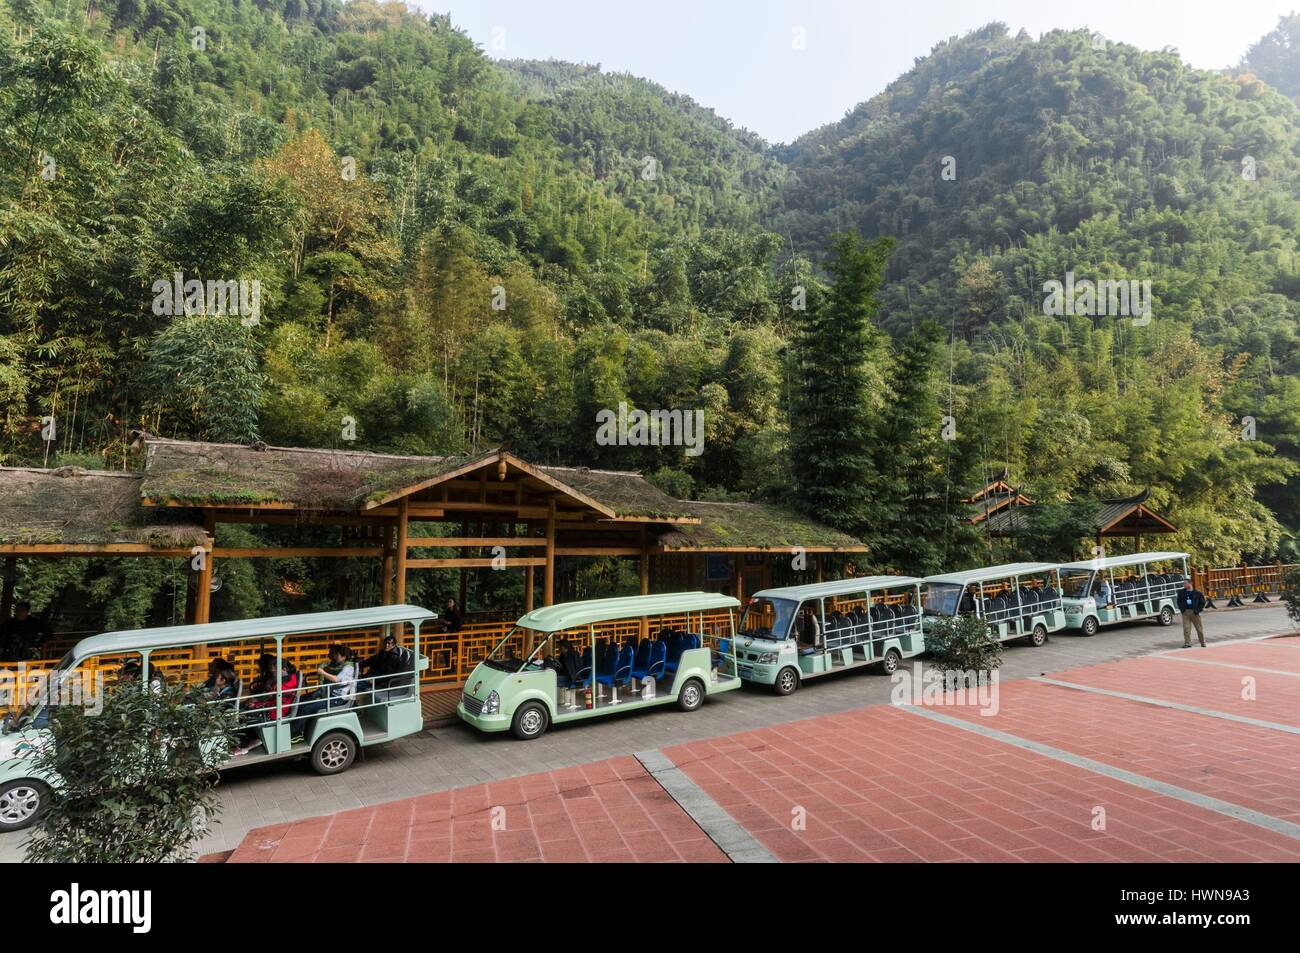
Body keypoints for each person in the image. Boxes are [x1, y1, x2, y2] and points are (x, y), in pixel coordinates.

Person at [291, 645, 358, 738]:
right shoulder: (336, 665)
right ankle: (299, 728)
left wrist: (322, 672)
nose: (333, 656)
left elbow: (336, 679)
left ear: (343, 657)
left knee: (305, 708)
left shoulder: (348, 668)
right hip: (330, 694)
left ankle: (296, 734)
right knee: (301, 701)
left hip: (338, 699)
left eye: (337, 654)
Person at [362, 632, 415, 700]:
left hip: (381, 681)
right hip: (374, 676)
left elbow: (389, 674)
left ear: (394, 645)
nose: (387, 645)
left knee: (355, 685)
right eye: (386, 643)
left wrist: (375, 679)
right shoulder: (383, 652)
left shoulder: (394, 658)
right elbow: (372, 660)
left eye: (389, 643)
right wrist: (360, 664)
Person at [1177, 578, 1207, 648]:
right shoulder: (1181, 592)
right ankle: (1187, 643)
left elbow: (1202, 603)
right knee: (1186, 628)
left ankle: (1202, 642)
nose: (1184, 584)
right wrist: (1182, 609)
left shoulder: (1198, 593)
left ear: (1190, 583)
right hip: (1185, 612)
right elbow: (1179, 601)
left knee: (1199, 628)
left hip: (1194, 612)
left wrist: (1198, 610)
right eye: (1183, 583)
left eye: (1185, 583)